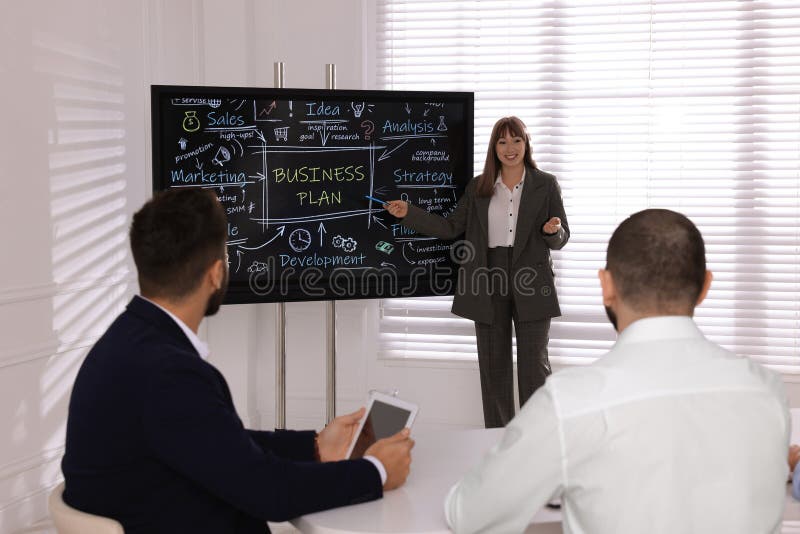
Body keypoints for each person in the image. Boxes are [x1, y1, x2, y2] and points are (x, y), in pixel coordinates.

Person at [61, 189, 414, 534]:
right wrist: (376, 472)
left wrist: (315, 445)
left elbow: (219, 445)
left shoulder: (127, 341)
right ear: (215, 274)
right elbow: (270, 492)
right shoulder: (171, 373)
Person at [443, 209, 790, 534]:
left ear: (606, 287)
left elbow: (468, 514)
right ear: (705, 287)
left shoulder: (568, 404)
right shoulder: (768, 392)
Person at [384, 116, 569, 428]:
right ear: (494, 147)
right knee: (494, 370)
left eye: (516, 140)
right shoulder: (479, 188)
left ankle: (540, 440)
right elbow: (451, 227)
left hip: (532, 282)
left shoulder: (545, 184)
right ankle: (499, 443)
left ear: (526, 144)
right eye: (502, 141)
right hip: (487, 279)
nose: (510, 148)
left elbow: (561, 238)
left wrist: (553, 230)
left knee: (534, 369)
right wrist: (409, 214)